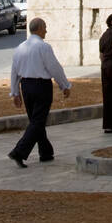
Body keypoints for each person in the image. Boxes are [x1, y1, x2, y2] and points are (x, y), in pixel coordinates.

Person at [8, 17, 73, 166]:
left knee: (35, 120)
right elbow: (54, 68)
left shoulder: (20, 47)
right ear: (39, 28)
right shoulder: (44, 47)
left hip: (26, 86)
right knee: (38, 121)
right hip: (41, 86)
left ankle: (46, 152)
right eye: (45, 27)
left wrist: (15, 92)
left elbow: (14, 72)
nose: (46, 31)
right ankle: (19, 151)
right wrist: (64, 85)